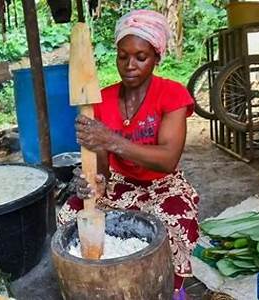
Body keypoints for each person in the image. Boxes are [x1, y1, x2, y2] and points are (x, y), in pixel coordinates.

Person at [57, 9, 199, 299]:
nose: (129, 65)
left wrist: (111, 139)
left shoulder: (171, 94)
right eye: (123, 56)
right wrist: (93, 179)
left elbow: (168, 158)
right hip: (121, 183)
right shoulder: (102, 100)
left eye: (141, 57)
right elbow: (102, 168)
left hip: (162, 185)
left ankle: (164, 289)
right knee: (71, 215)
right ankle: (100, 287)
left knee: (174, 223)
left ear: (157, 57)